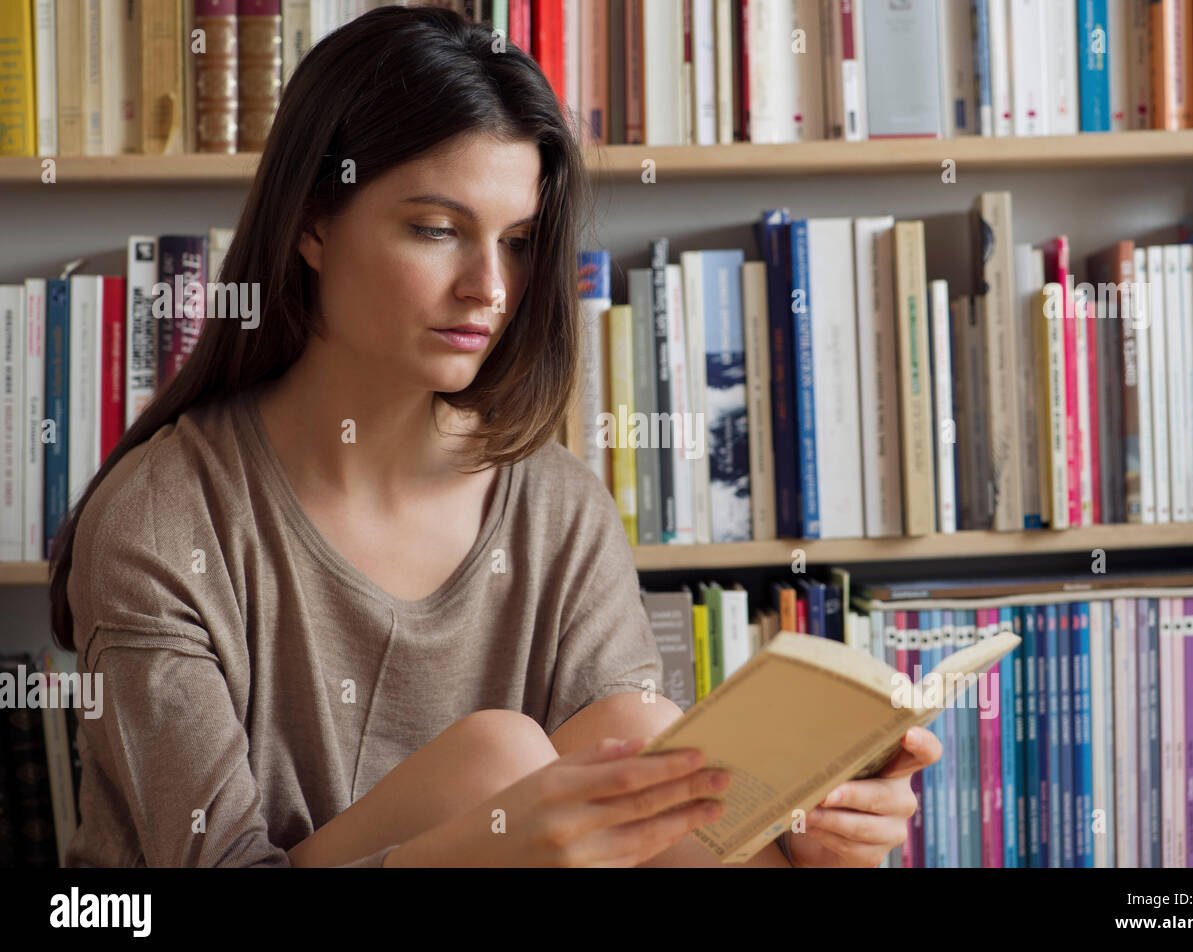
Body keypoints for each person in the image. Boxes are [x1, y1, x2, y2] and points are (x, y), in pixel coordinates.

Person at [48, 4, 937, 868]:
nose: (491, 287)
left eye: (517, 241)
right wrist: (485, 839)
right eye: (437, 229)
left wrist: (814, 848)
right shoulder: (161, 517)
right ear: (314, 222)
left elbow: (652, 817)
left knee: (642, 736)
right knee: (500, 758)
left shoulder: (557, 505)